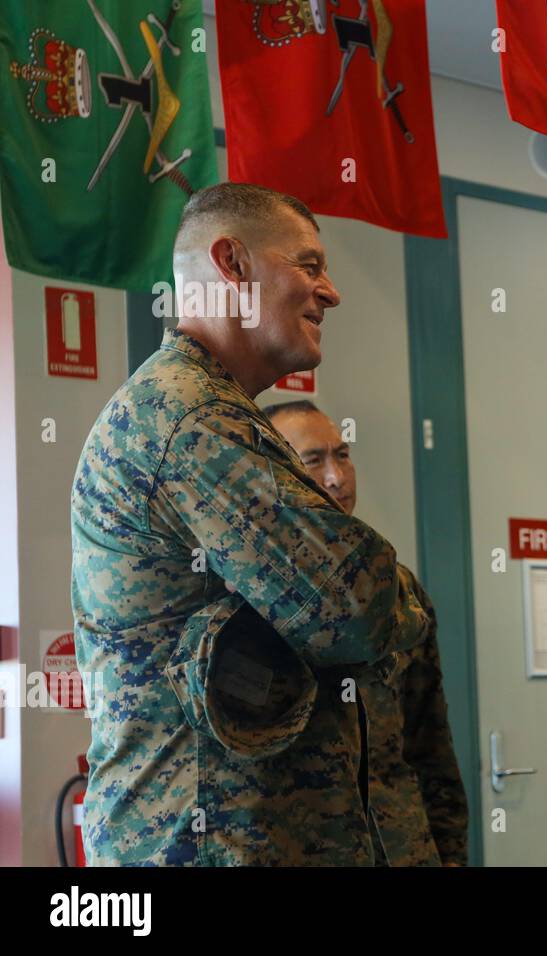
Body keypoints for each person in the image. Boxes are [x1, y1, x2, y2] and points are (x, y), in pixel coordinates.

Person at [72, 182, 434, 865]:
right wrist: (406, 596)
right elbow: (356, 607)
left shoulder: (203, 408)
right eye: (309, 265)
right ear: (232, 265)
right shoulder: (191, 418)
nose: (331, 292)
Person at [265, 399, 468, 865]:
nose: (337, 477)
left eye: (343, 455)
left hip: (401, 847)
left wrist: (451, 852)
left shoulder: (394, 586)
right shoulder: (253, 593)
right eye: (314, 460)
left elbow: (429, 739)